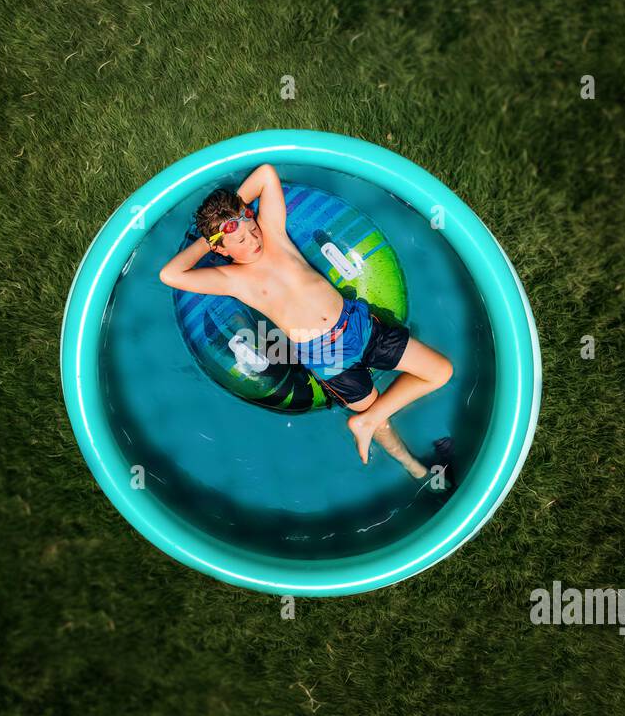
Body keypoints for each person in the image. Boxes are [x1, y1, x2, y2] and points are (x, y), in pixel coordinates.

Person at [159, 163, 453, 480]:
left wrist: (237, 214)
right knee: (377, 417)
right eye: (240, 241)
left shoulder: (273, 234)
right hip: (328, 358)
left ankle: (365, 422)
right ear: (221, 249)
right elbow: (169, 275)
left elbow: (267, 174)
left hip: (359, 327)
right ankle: (415, 468)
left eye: (251, 228)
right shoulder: (231, 279)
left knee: (440, 371)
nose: (252, 240)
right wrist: (210, 239)